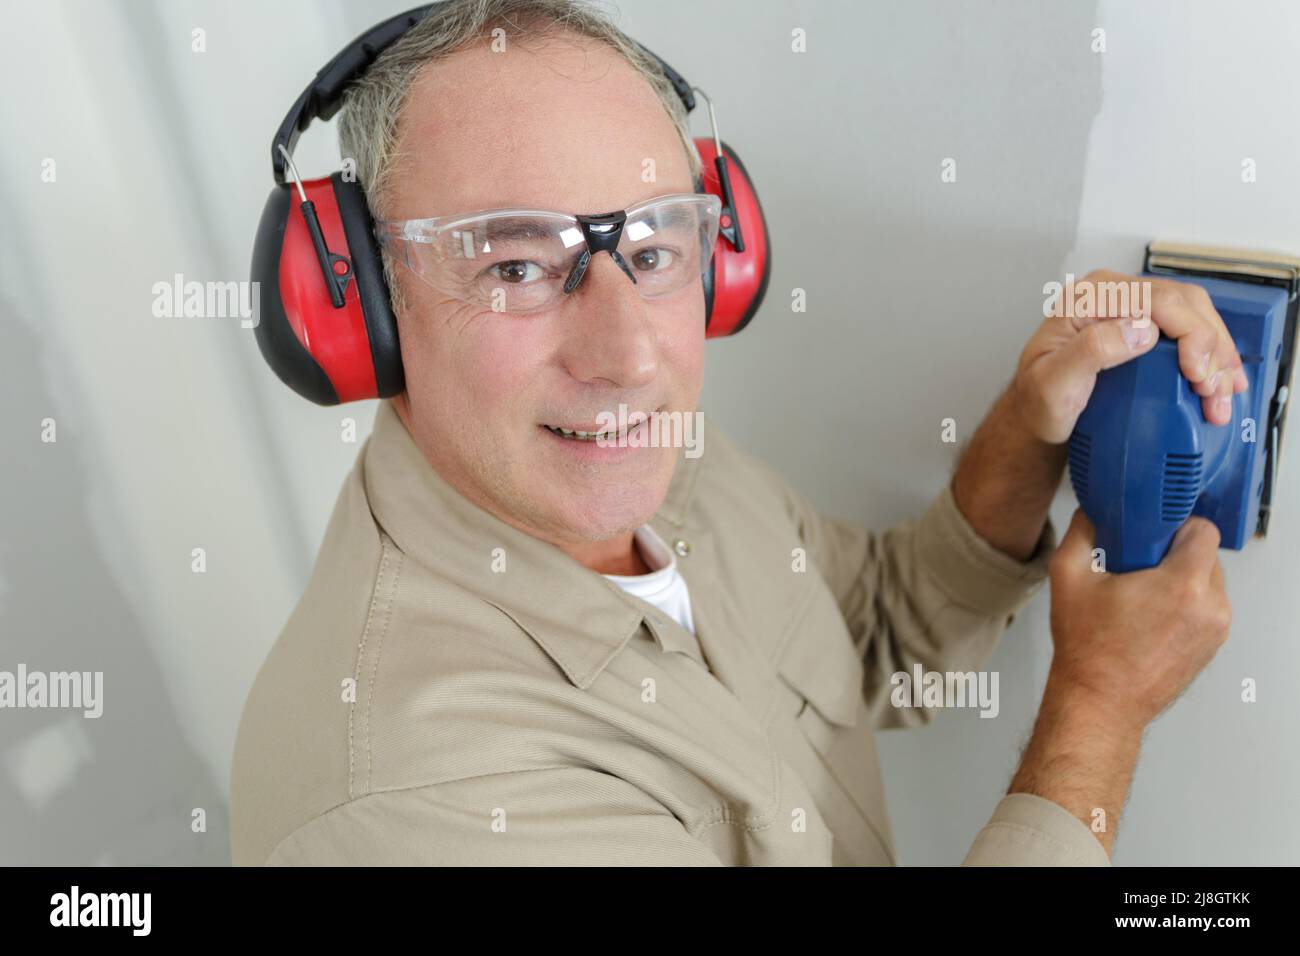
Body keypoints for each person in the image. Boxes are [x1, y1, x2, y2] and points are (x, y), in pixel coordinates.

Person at [231, 0, 1238, 866]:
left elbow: (880, 629)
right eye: (515, 268)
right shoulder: (415, 791)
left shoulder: (655, 473)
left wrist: (1030, 423)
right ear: (351, 308)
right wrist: (1099, 705)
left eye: (655, 246)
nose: (626, 355)